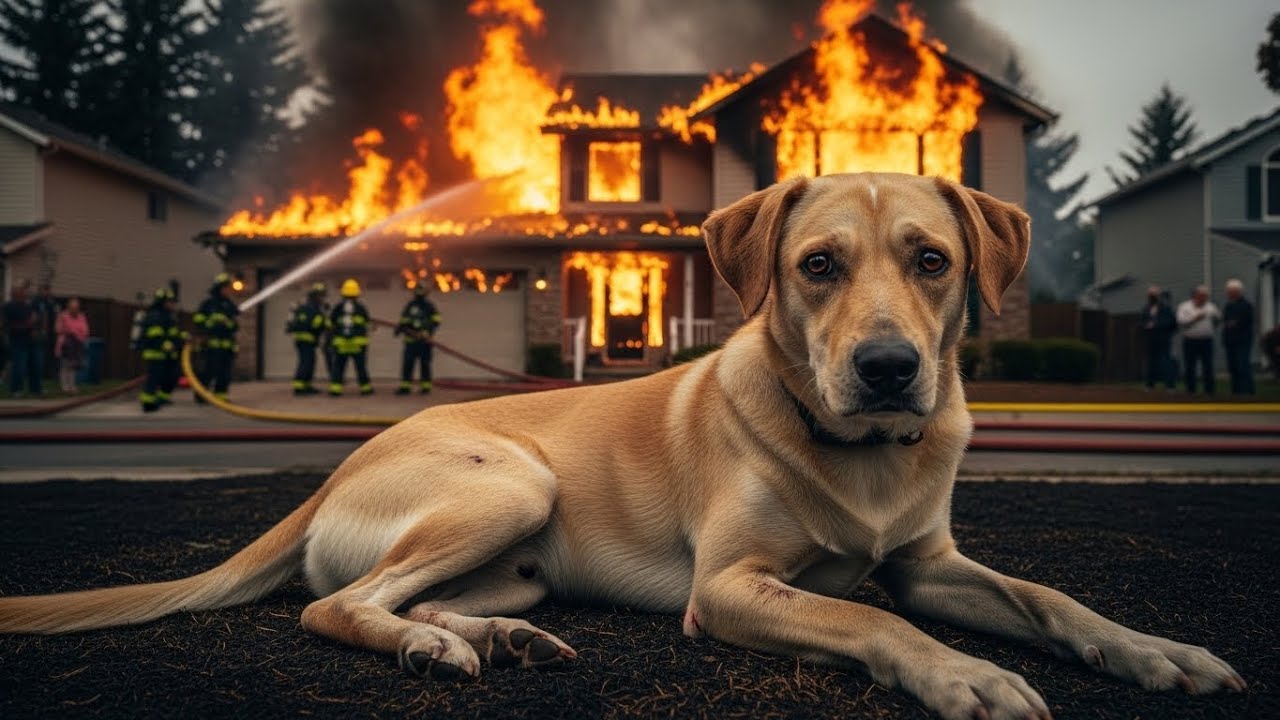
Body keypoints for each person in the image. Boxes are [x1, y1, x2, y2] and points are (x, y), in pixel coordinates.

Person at [194, 273, 240, 401]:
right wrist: (213, 322)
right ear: (219, 288)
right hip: (211, 346)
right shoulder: (208, 304)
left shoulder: (230, 305)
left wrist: (228, 323)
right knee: (208, 372)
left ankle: (221, 396)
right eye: (226, 288)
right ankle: (201, 396)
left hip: (227, 346)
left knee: (225, 374)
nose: (229, 290)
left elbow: (235, 325)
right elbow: (198, 321)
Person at [138, 288, 181, 412]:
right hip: (155, 354)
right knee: (154, 379)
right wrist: (165, 344)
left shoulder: (168, 316)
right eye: (170, 302)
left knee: (171, 377)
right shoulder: (155, 315)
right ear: (162, 302)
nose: (173, 304)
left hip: (167, 355)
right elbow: (154, 335)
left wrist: (182, 338)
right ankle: (148, 403)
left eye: (173, 302)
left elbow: (172, 334)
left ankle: (161, 399)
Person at [328, 278, 373, 396]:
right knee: (360, 367)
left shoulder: (338, 307)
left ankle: (335, 389)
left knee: (338, 366)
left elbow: (330, 324)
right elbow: (367, 324)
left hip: (341, 343)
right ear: (357, 293)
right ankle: (365, 389)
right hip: (357, 344)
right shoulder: (360, 308)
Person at [395, 283, 441, 394]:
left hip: (424, 342)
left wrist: (427, 331)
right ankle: (406, 387)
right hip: (411, 341)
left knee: (424, 365)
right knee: (408, 365)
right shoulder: (410, 305)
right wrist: (399, 329)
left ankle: (425, 387)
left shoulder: (429, 306)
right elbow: (404, 320)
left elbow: (436, 321)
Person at [1175, 284, 1221, 395]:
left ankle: (1209, 391)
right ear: (1195, 295)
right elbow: (1181, 322)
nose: (1204, 298)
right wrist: (1195, 319)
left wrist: (1213, 326)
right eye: (1202, 296)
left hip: (1206, 340)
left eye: (1205, 296)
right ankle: (1191, 390)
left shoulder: (1211, 307)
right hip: (1190, 340)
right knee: (1190, 365)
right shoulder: (1185, 307)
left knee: (1208, 366)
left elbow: (1218, 319)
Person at [288, 282, 330, 395]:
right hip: (307, 339)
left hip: (303, 340)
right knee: (306, 363)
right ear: (316, 296)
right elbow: (315, 324)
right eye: (322, 296)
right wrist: (325, 320)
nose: (323, 298)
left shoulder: (305, 306)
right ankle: (299, 387)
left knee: (309, 362)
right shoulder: (314, 308)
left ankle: (306, 385)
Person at [2, 281, 39, 397]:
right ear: (14, 293)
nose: (24, 293)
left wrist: (34, 329)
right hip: (17, 340)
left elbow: (33, 322)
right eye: (21, 291)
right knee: (19, 366)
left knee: (35, 365)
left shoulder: (28, 306)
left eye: (24, 291)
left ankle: (35, 389)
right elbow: (7, 324)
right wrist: (27, 324)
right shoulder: (8, 307)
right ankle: (16, 389)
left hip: (30, 340)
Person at [1222, 278, 1255, 395]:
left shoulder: (1246, 305)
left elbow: (1247, 320)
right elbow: (1225, 321)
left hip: (1242, 341)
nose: (1228, 294)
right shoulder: (1228, 306)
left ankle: (1247, 391)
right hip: (1230, 341)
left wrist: (1235, 323)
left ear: (1237, 291)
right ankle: (1236, 392)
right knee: (1233, 367)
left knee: (1242, 366)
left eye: (1230, 291)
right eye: (1228, 291)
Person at [1139, 285, 1176, 391]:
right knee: (1150, 361)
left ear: (1158, 296)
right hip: (1150, 338)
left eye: (1153, 295)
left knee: (1165, 360)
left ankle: (1169, 385)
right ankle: (1149, 384)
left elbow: (1171, 322)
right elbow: (1141, 321)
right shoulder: (1146, 308)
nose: (1151, 297)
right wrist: (1145, 325)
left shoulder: (1166, 308)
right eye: (1150, 295)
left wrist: (1155, 325)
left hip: (1163, 338)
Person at [54, 297, 89, 394]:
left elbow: (85, 330)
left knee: (73, 366)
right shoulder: (63, 316)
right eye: (72, 308)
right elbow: (58, 329)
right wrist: (70, 331)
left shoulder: (81, 316)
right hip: (66, 344)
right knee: (65, 365)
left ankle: (72, 385)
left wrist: (74, 332)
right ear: (68, 307)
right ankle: (64, 386)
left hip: (77, 344)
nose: (75, 310)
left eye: (76, 308)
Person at [30, 281, 57, 392]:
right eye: (45, 290)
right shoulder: (36, 302)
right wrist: (36, 330)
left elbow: (52, 315)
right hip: (38, 334)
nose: (47, 292)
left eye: (48, 290)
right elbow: (35, 317)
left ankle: (40, 383)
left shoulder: (49, 302)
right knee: (38, 360)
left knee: (43, 359)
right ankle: (36, 386)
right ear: (40, 290)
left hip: (47, 334)